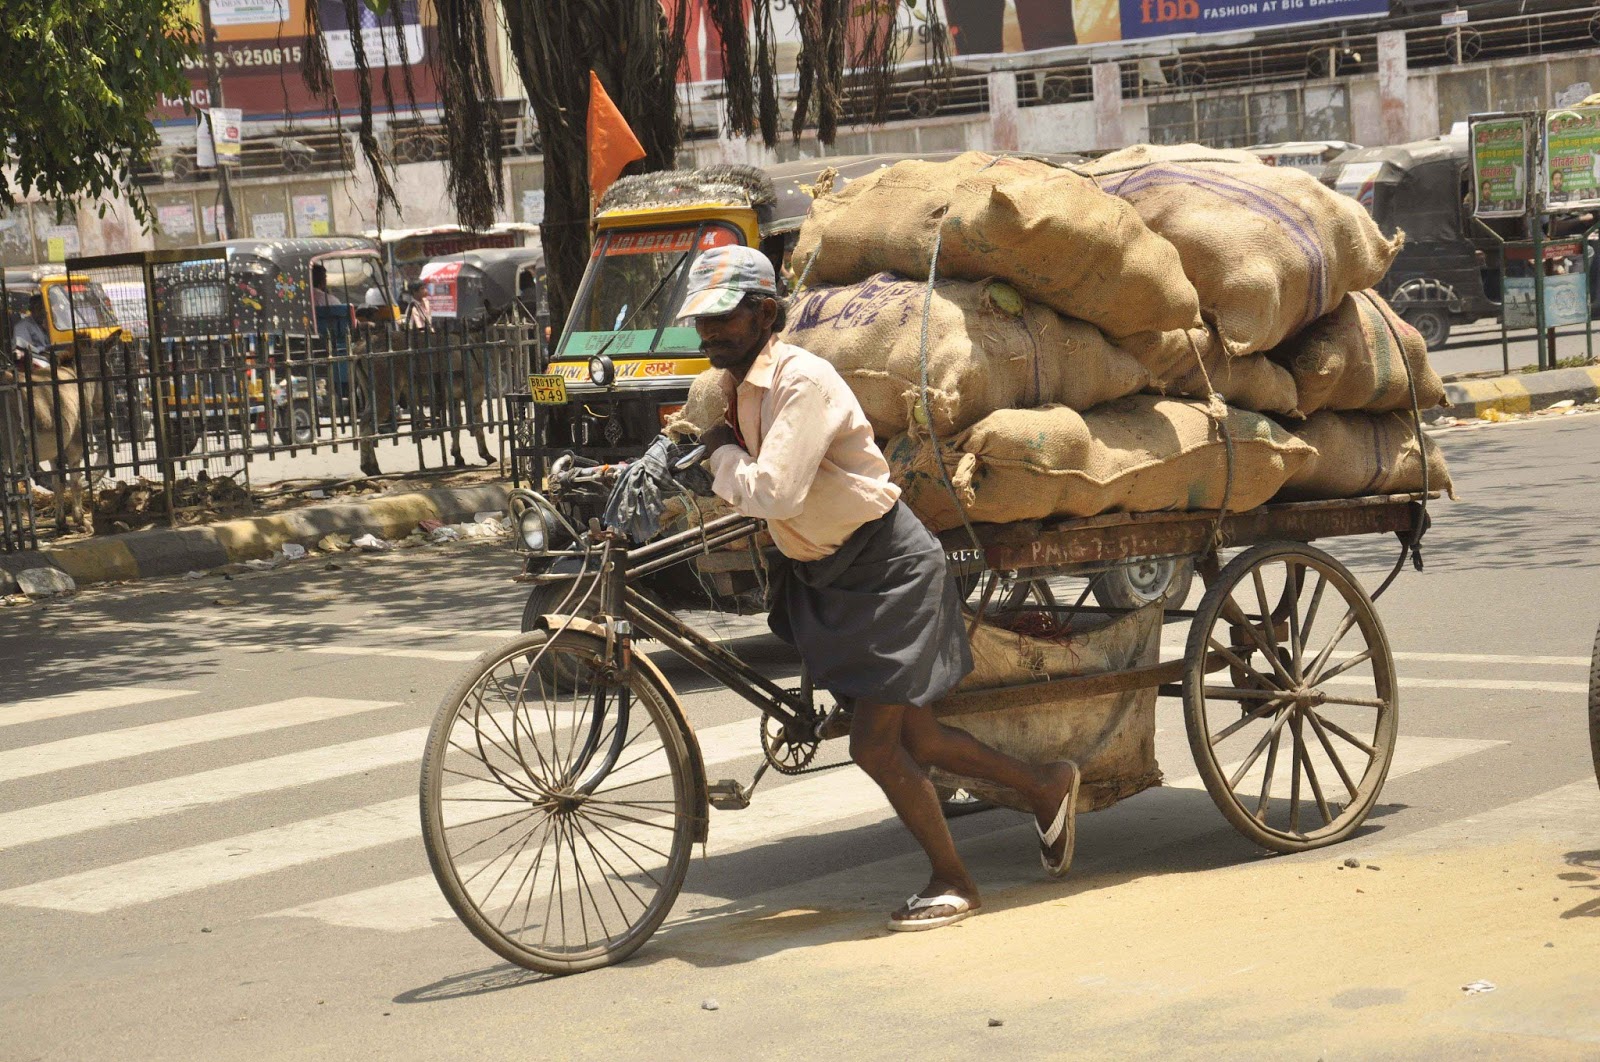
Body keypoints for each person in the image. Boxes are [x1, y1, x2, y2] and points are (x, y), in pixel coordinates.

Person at [680, 245, 1082, 933]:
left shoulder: (802, 381)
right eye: (702, 322)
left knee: (874, 745)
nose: (709, 334)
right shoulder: (734, 390)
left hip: (888, 570)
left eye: (724, 319)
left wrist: (719, 451)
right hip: (830, 577)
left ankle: (955, 881)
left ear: (765, 313)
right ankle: (1046, 786)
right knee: (917, 736)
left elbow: (773, 490)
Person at [12, 293, 53, 365]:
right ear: (32, 310)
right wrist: (45, 349)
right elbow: (24, 349)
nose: (43, 312)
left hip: (49, 358)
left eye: (45, 308)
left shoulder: (45, 324)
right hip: (35, 363)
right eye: (39, 308)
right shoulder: (22, 326)